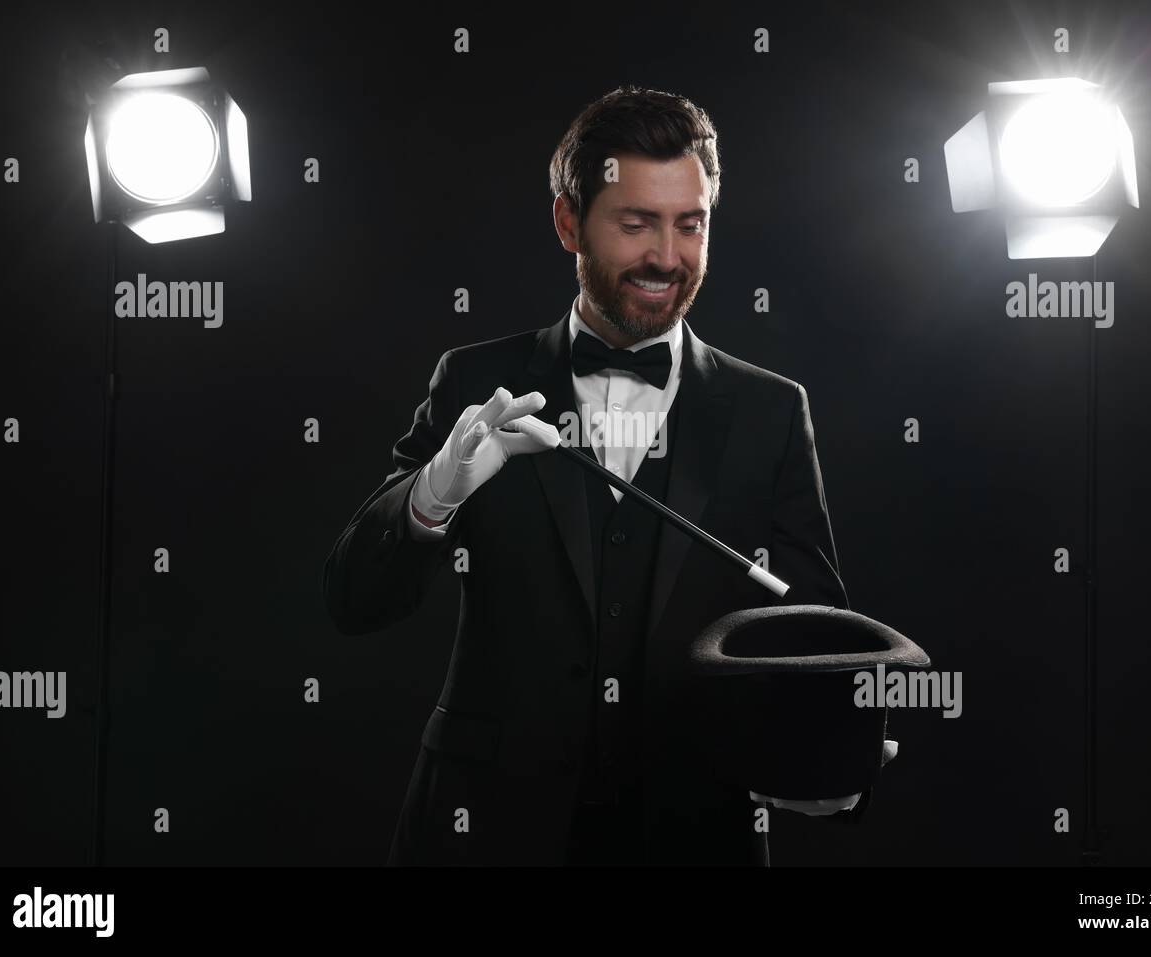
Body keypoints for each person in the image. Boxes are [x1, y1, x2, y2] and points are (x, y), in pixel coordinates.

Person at [322, 85, 858, 867]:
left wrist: (832, 764)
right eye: (635, 223)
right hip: (486, 832)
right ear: (569, 221)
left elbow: (812, 633)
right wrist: (434, 492)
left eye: (690, 224)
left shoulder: (770, 410)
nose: (666, 257)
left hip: (693, 834)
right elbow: (354, 599)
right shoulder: (475, 378)